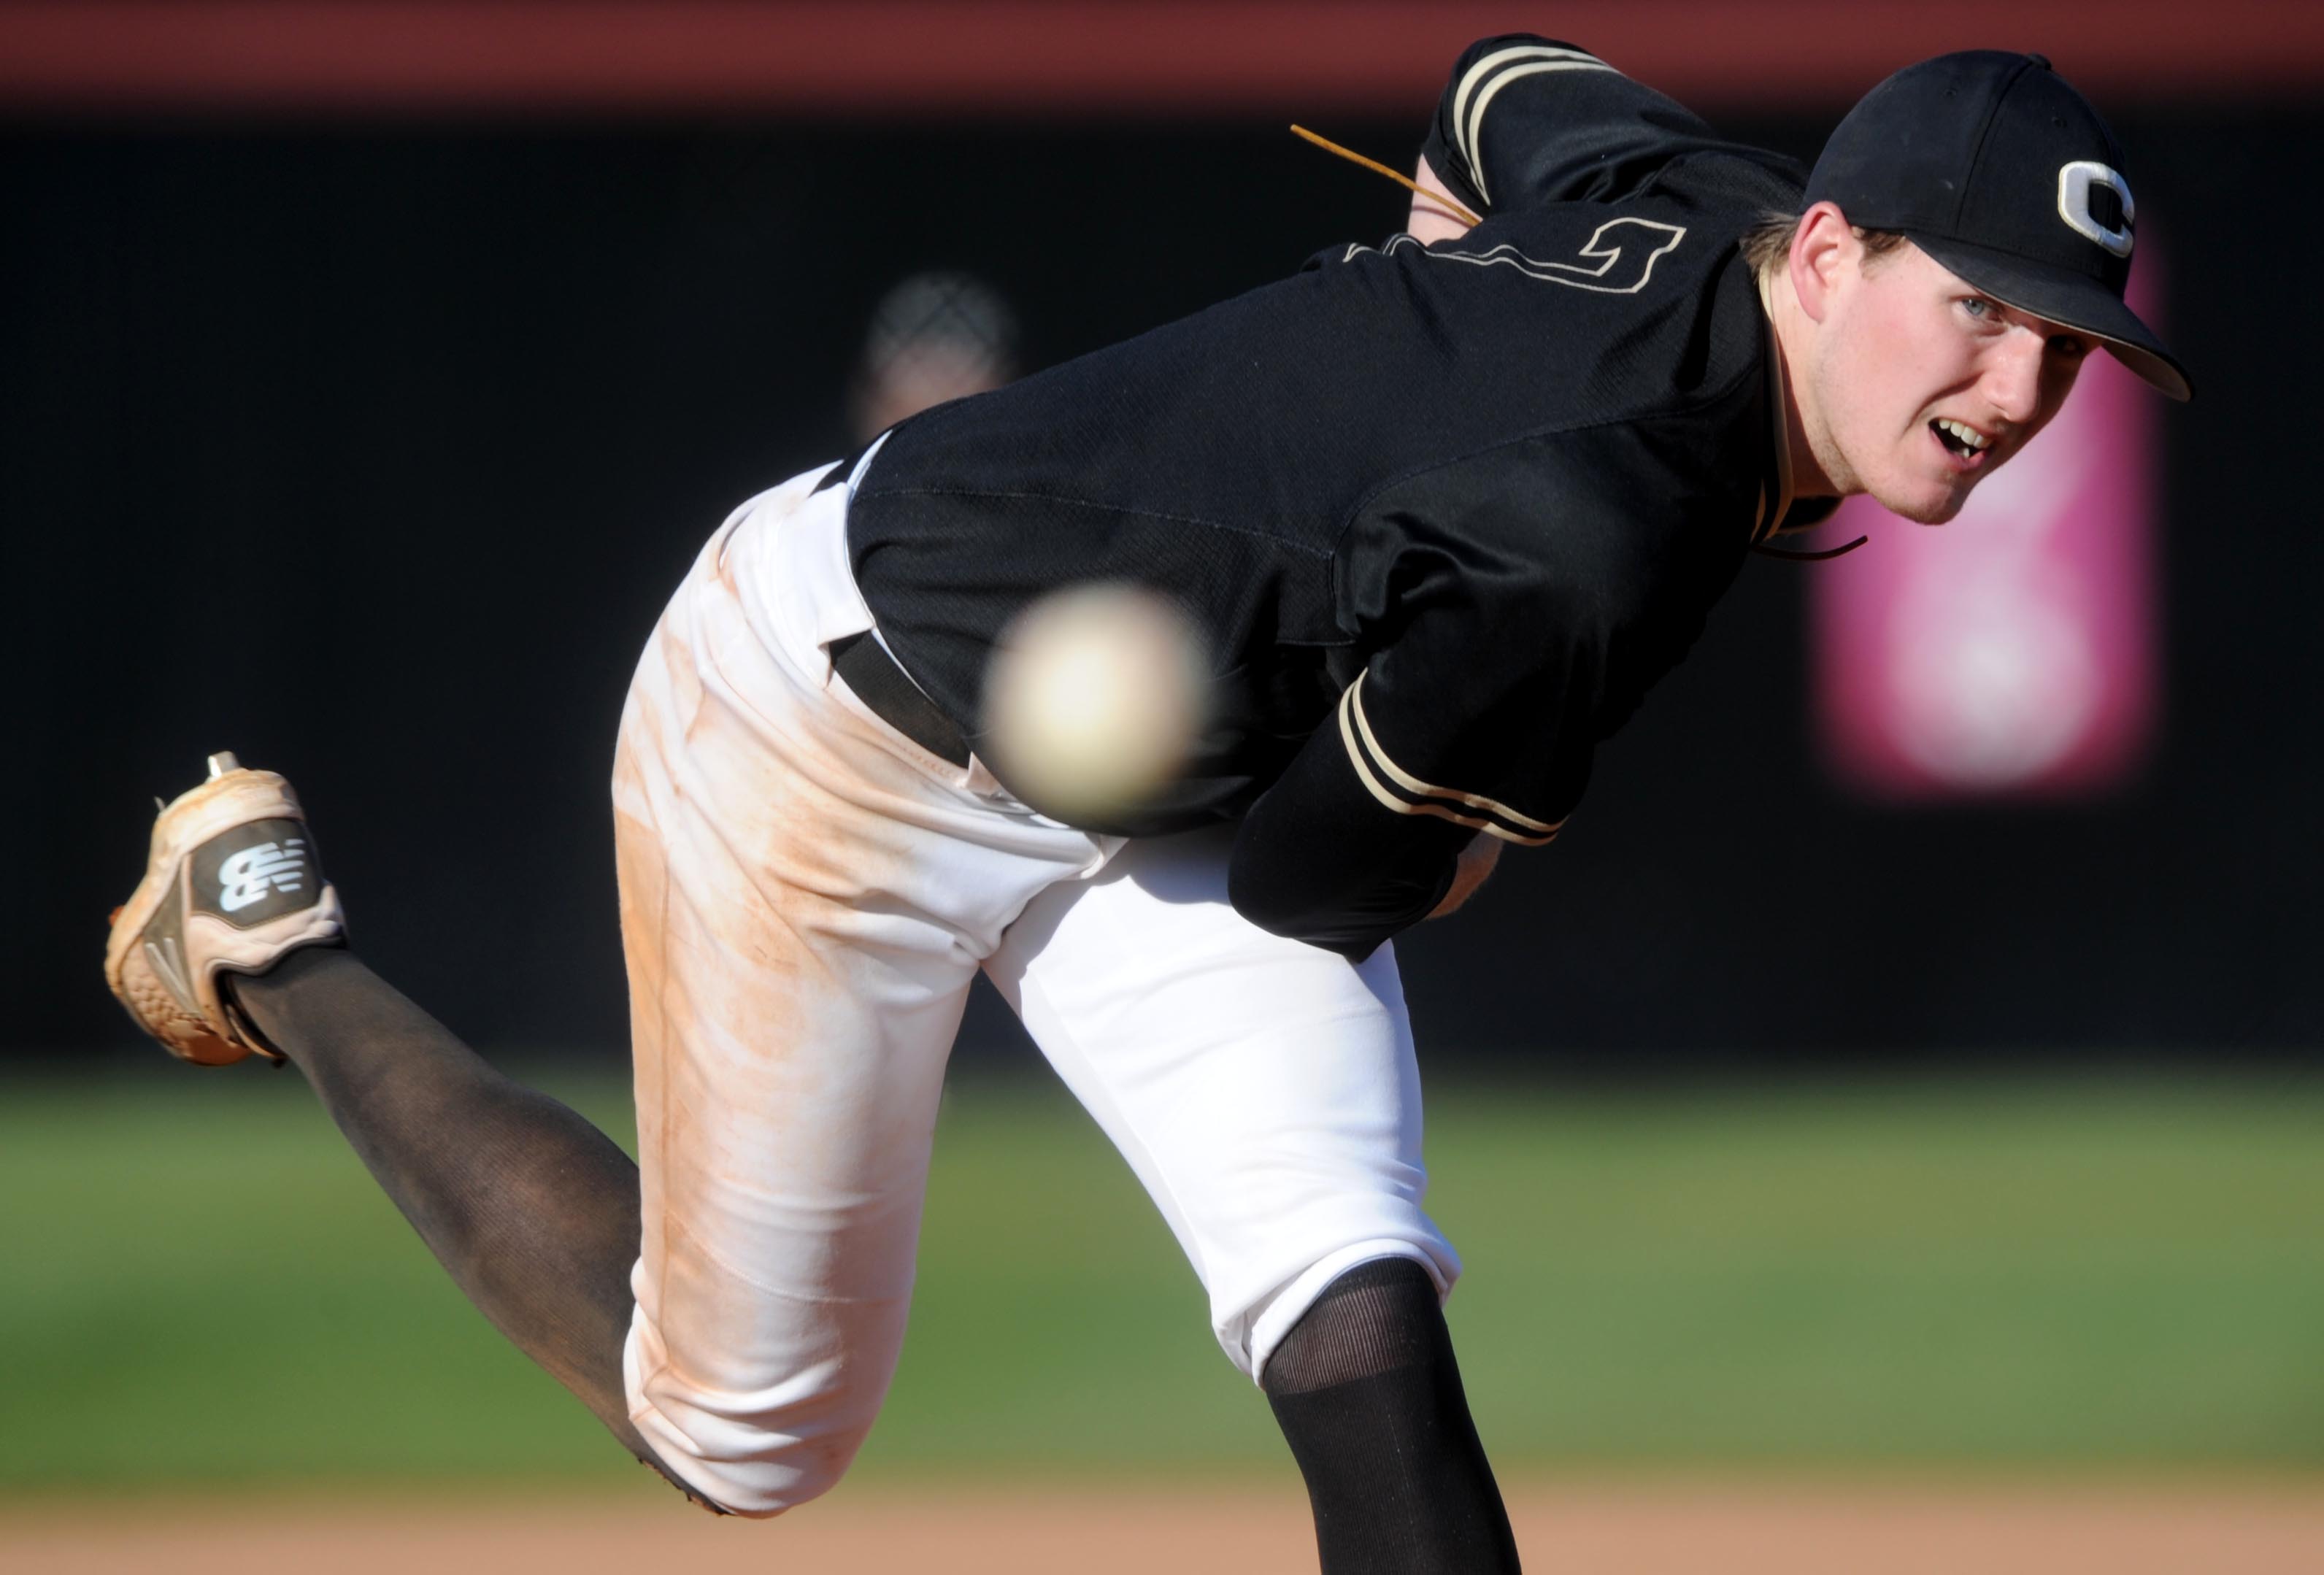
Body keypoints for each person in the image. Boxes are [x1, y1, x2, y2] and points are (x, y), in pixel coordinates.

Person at [104, 39, 2185, 1572]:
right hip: (832, 709)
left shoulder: (1689, 202)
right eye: (1978, 309)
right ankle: (273, 943)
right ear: (1826, 252)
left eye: (2066, 345)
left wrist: (1444, 291)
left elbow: (1497, 83)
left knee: (1357, 1299)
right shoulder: (1602, 529)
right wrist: (1453, 829)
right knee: (742, 1440)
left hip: (1149, 755)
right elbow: (1308, 879)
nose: (2013, 394)